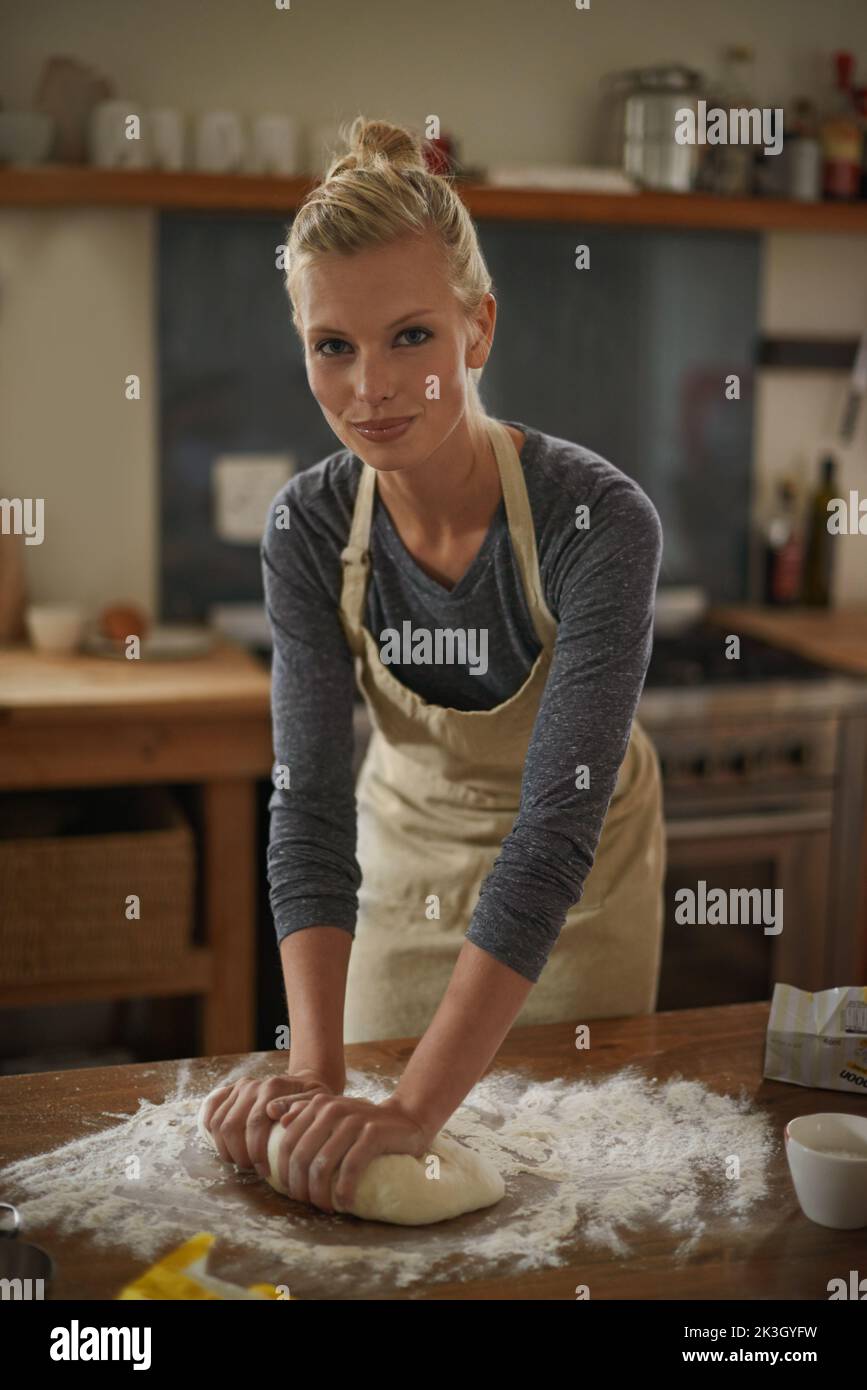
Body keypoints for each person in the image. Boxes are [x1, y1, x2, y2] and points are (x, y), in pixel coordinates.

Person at [201, 116, 665, 1217]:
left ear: (478, 328)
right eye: (333, 346)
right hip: (398, 874)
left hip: (577, 899)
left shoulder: (598, 522)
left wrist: (416, 1103)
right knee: (367, 1205)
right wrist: (314, 1068)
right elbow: (310, 803)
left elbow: (557, 829)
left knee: (567, 1206)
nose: (372, 388)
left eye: (411, 337)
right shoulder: (308, 531)